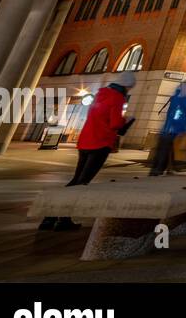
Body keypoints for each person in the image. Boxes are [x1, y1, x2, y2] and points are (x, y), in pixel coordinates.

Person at [39, 73, 135, 231]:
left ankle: (52, 216)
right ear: (127, 86)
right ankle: (60, 218)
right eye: (130, 87)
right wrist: (128, 120)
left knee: (76, 180)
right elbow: (115, 123)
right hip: (101, 143)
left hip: (85, 141)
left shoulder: (100, 94)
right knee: (81, 183)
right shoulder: (118, 97)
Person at [151, 77, 186, 176]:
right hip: (173, 127)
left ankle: (165, 168)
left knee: (167, 145)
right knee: (166, 145)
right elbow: (185, 113)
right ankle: (160, 169)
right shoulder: (185, 99)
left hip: (170, 126)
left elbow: (178, 112)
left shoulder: (178, 96)